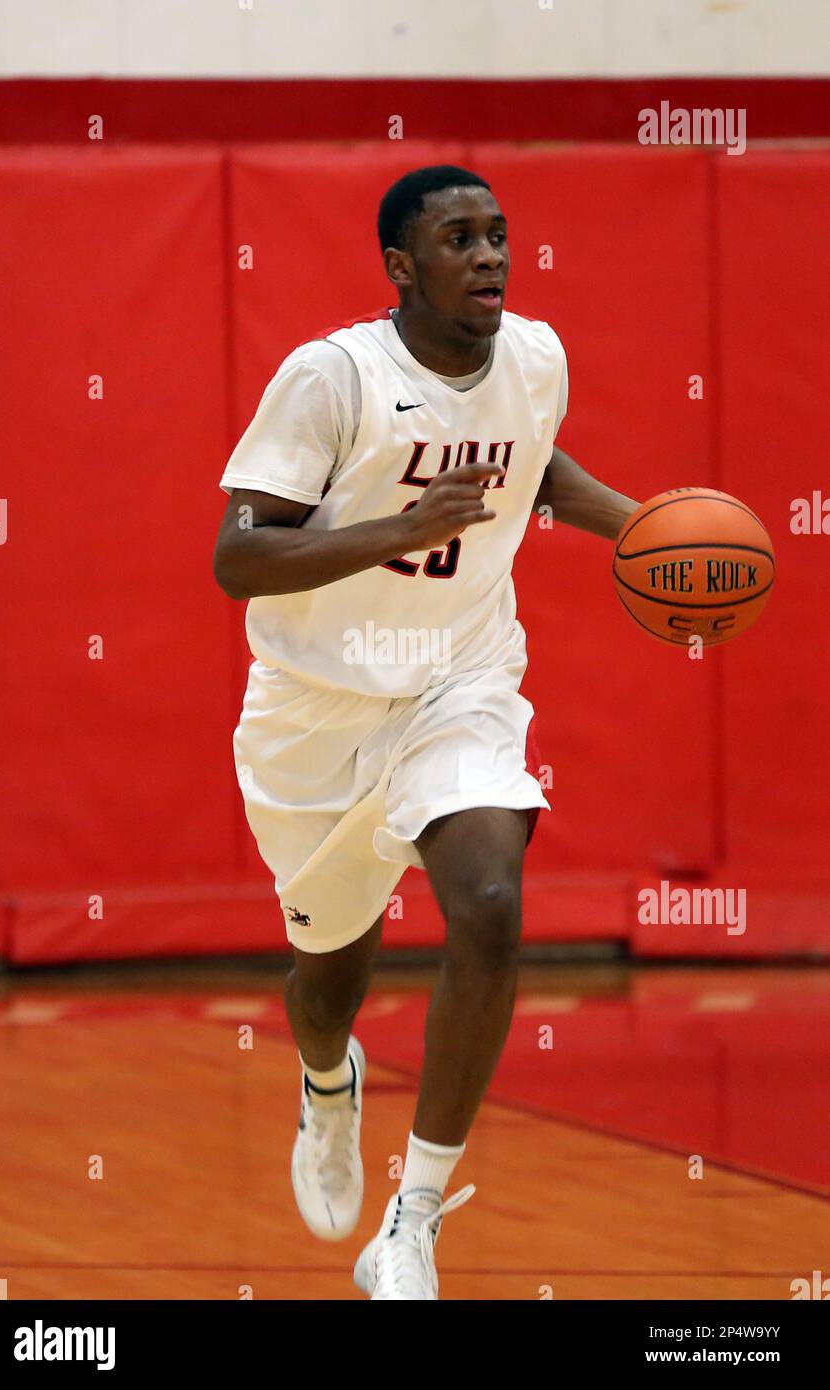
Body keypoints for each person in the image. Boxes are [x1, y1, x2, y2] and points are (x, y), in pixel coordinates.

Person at [213, 165, 639, 1300]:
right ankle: (325, 1081)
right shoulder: (331, 377)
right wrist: (398, 524)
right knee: (326, 979)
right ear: (401, 266)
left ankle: (409, 1222)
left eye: (499, 234)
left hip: (459, 679)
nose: (490, 255)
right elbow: (238, 557)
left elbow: (534, 466)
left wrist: (639, 527)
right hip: (315, 712)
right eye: (459, 238)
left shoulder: (535, 358)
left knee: (490, 909)